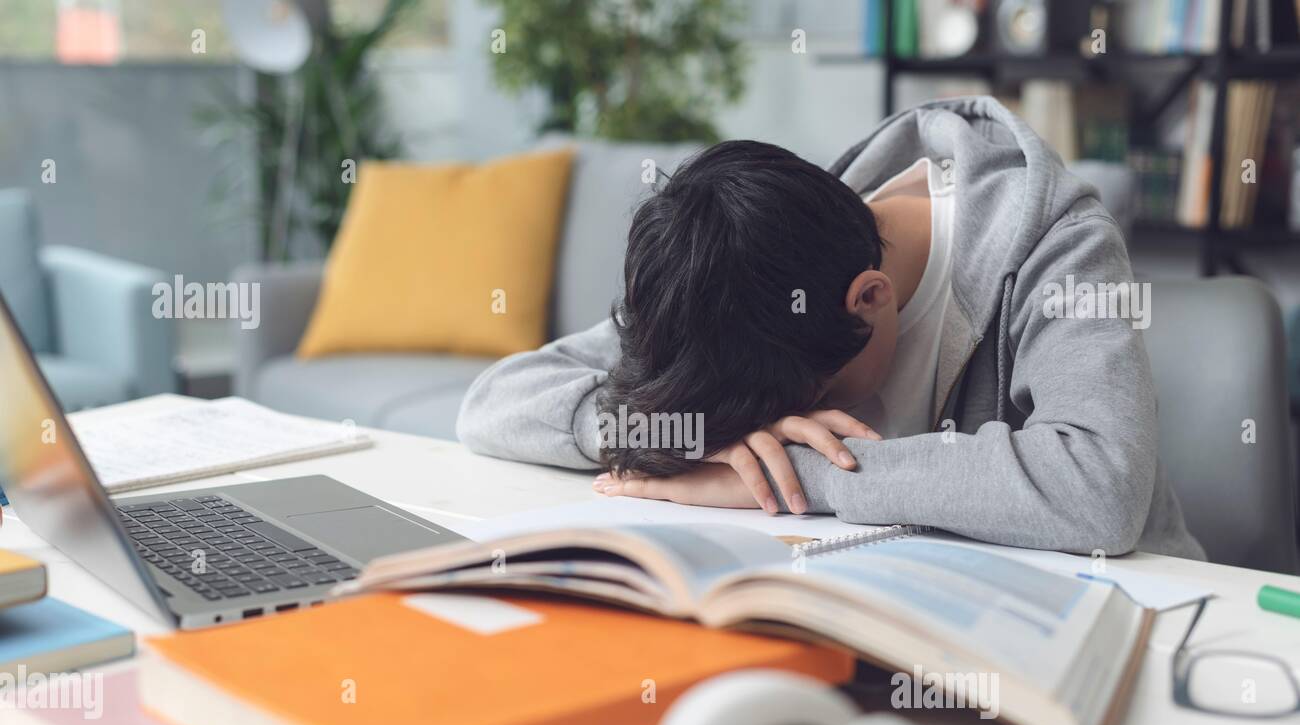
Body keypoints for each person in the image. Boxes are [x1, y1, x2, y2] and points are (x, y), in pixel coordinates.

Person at [457, 96, 1203, 559]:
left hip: (1093, 620)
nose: (784, 426)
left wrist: (792, 479)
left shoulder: (1059, 245)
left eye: (798, 403)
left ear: (869, 298)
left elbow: (1102, 488)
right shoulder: (743, 261)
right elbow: (492, 404)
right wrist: (683, 437)